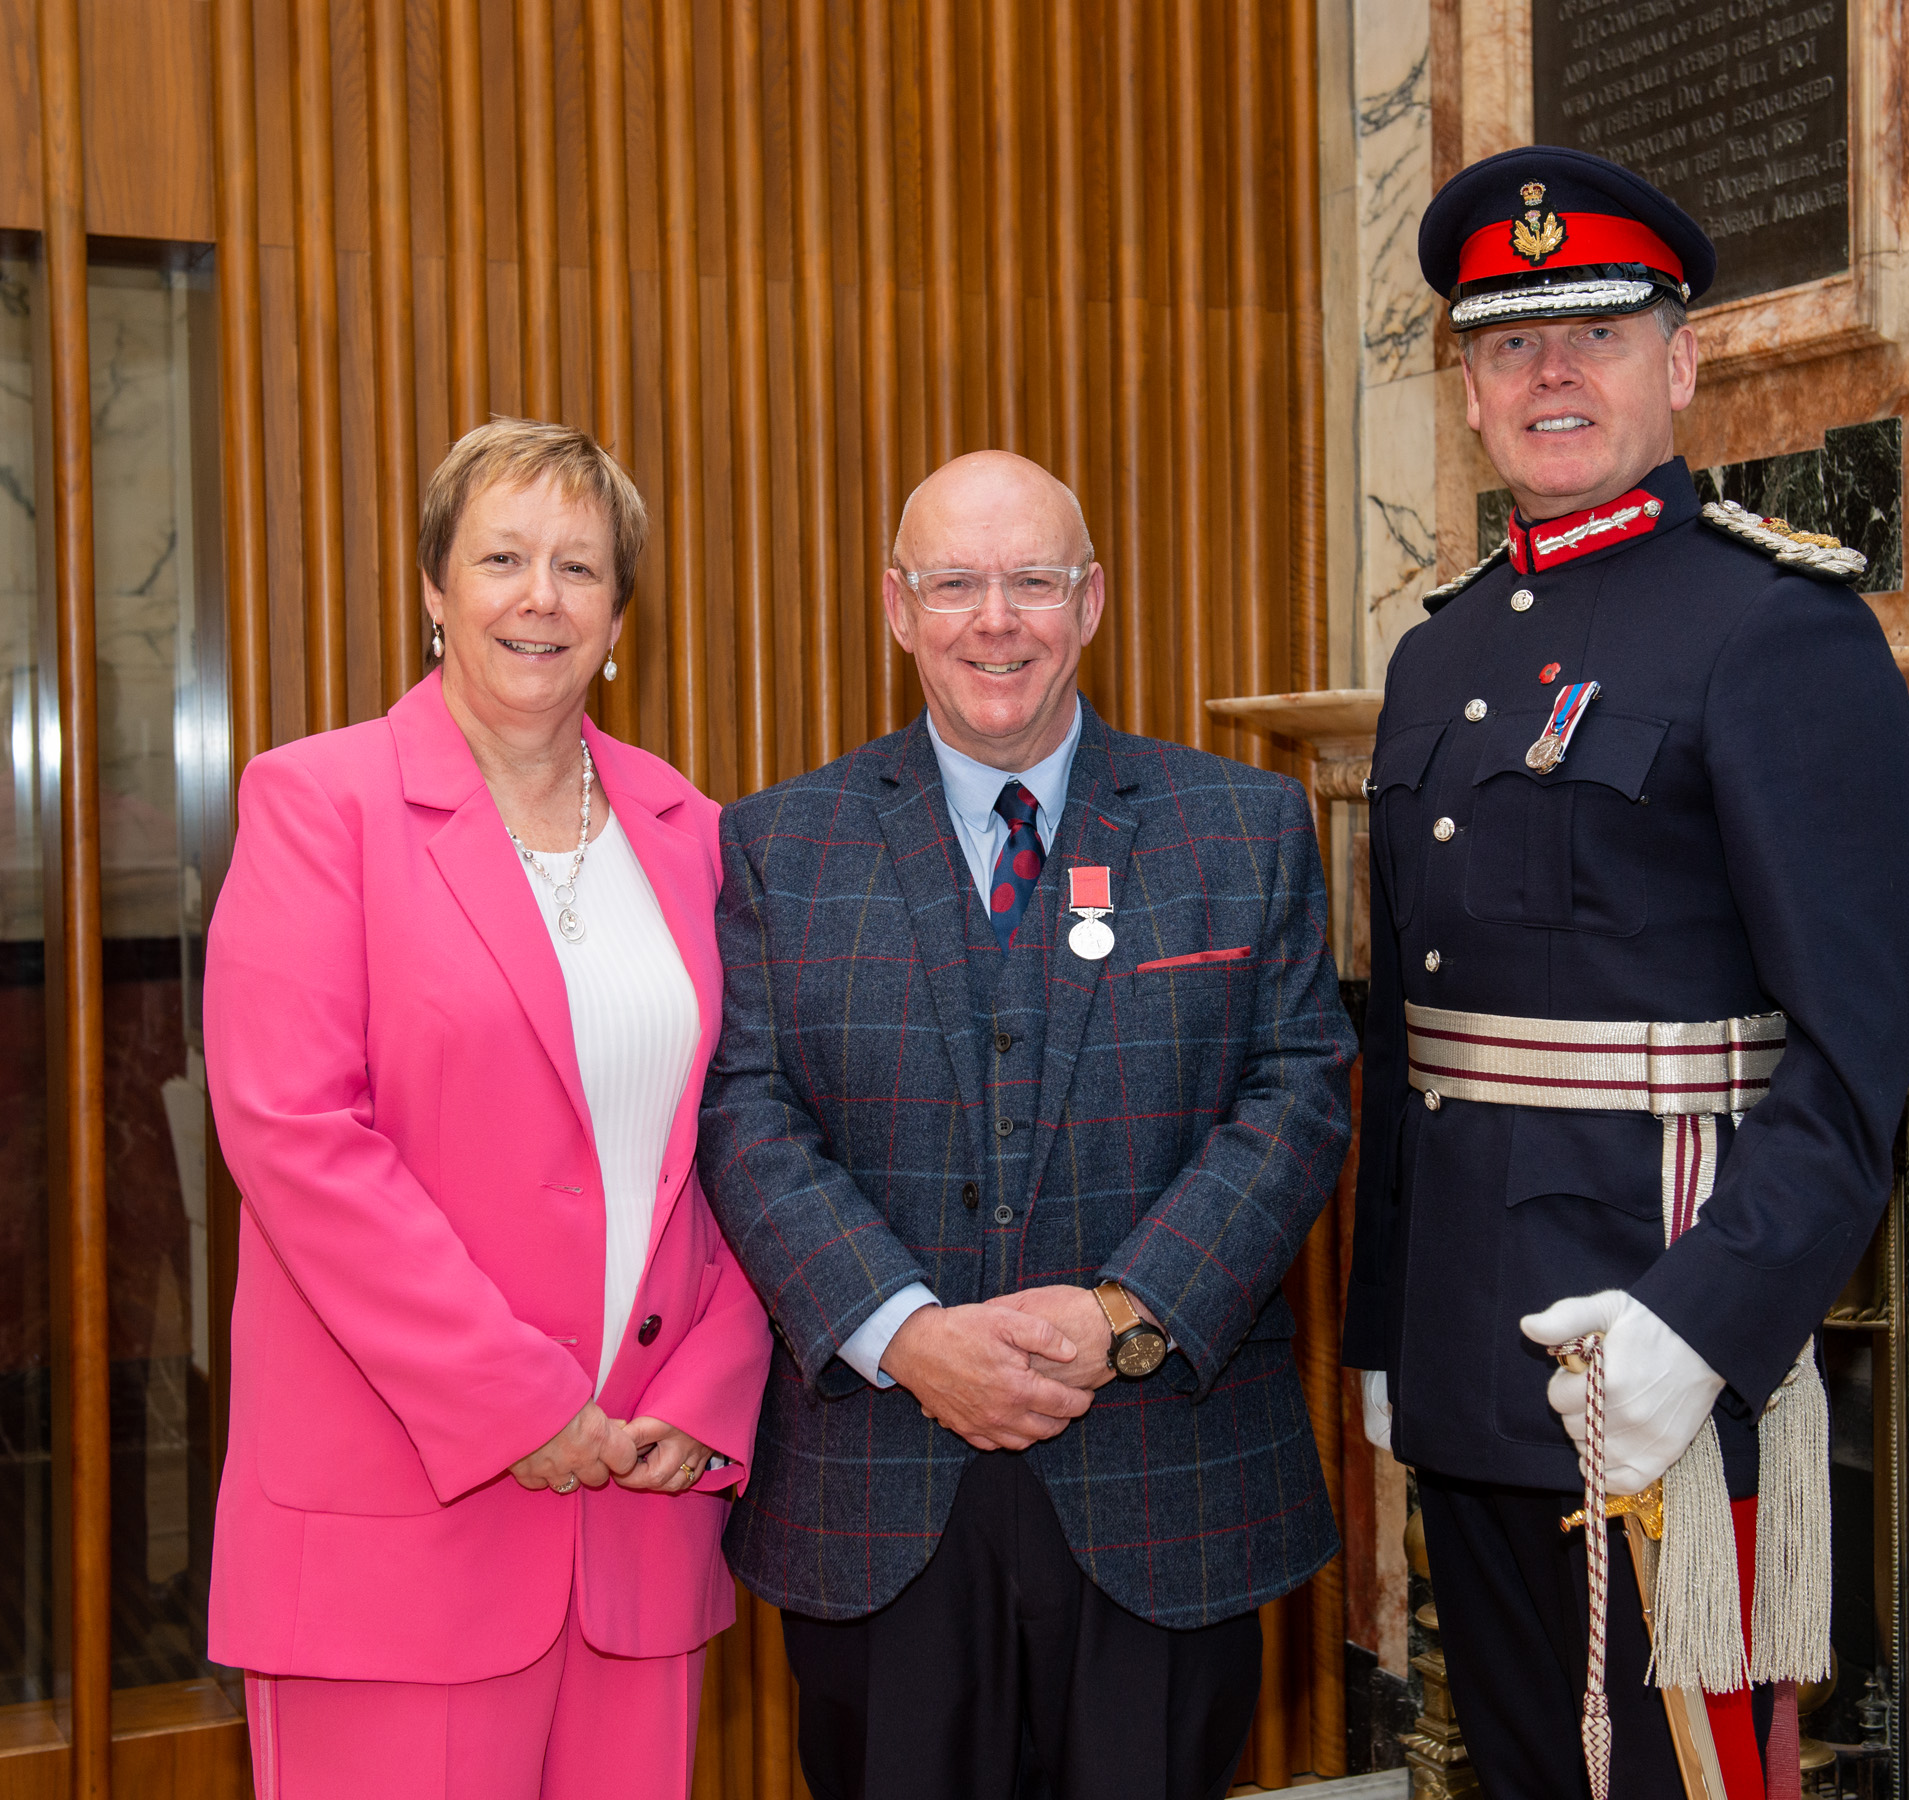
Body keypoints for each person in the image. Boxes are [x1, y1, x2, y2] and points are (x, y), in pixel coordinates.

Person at [1340, 147, 1909, 1800]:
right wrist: (1388, 1331)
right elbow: (1414, 1035)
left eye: (1596, 329)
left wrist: (1699, 1330)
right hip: (1468, 1359)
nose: (1551, 370)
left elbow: (1847, 1070)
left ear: (1680, 359)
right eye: (1509, 340)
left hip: (1657, 1354)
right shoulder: (1439, 651)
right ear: (1466, 389)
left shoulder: (1779, 631)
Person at [694, 450, 1357, 1800]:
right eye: (955, 582)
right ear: (898, 608)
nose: (994, 619)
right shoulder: (781, 844)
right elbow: (747, 1108)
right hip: (882, 1492)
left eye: (1032, 582)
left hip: (1165, 1480)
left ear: (1092, 600)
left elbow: (1297, 1092)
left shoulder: (1245, 828)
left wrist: (1126, 1314)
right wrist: (905, 1333)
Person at [204, 418, 772, 1799]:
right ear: (433, 592)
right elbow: (296, 1135)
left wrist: (712, 1390)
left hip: (641, 1500)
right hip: (402, 1511)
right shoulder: (317, 804)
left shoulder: (694, 833)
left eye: (579, 568)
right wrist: (520, 1401)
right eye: (503, 557)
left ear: (620, 615)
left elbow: (759, 1131)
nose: (540, 597)